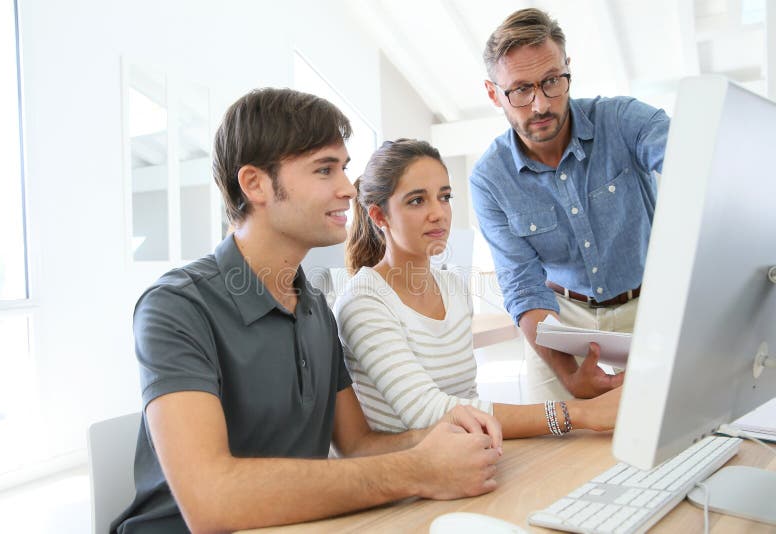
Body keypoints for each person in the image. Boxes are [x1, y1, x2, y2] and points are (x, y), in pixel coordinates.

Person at [112, 89, 504, 534]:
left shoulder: (316, 307)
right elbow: (212, 500)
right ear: (255, 184)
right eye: (324, 169)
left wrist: (441, 437)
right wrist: (418, 469)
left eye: (344, 169)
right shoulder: (176, 307)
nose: (347, 189)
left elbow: (357, 445)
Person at [334, 138, 619, 438]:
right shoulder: (364, 301)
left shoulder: (453, 287)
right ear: (379, 216)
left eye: (444, 197)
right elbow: (428, 412)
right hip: (410, 472)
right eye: (417, 200)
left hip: (466, 456)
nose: (438, 213)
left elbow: (467, 398)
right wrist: (578, 413)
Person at [470, 8, 670, 402]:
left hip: (647, 304)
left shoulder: (624, 120)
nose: (540, 105)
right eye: (521, 90)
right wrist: (568, 374)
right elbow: (522, 286)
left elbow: (696, 163)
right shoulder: (489, 179)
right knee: (556, 438)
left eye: (551, 82)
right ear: (494, 93)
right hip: (560, 316)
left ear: (568, 71)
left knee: (668, 423)